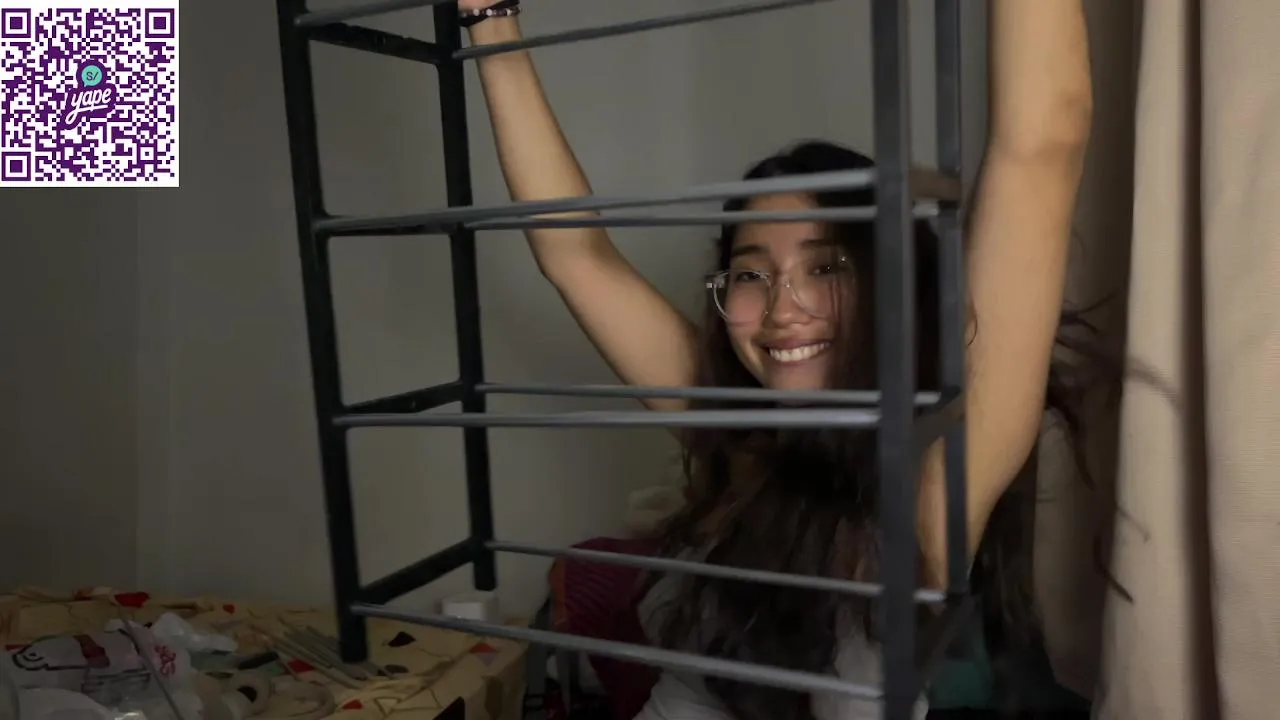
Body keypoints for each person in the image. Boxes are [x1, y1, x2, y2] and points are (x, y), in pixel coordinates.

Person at [459, 0, 1096, 718]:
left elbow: (1044, 142)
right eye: (752, 273)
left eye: (826, 268)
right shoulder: (735, 431)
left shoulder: (935, 481)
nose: (783, 308)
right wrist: (488, 13)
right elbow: (576, 255)